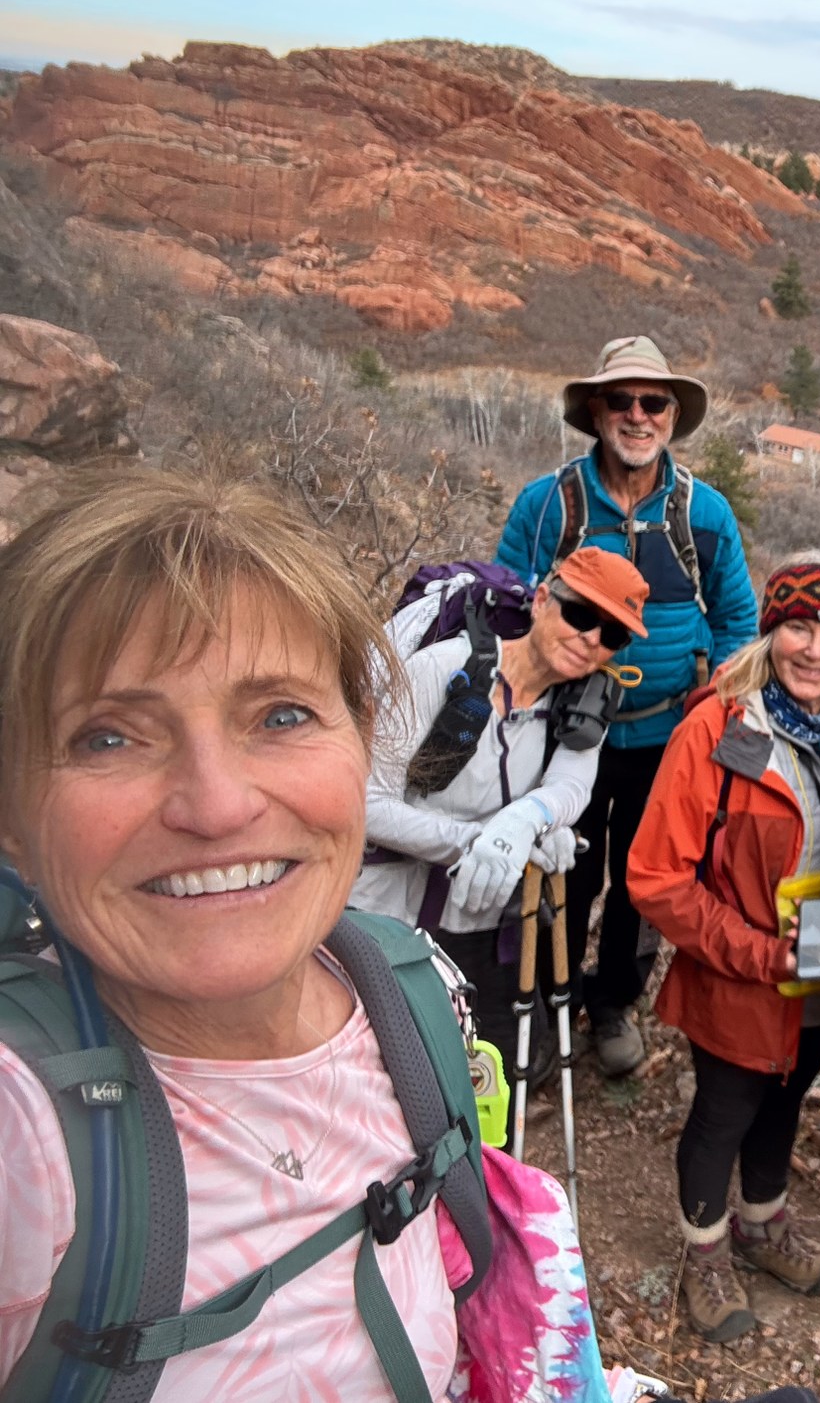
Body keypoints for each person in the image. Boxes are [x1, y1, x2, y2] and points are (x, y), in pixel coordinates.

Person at [0, 467, 481, 1398]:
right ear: (11, 815)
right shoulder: (22, 1130)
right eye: (108, 737)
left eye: (282, 716)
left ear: (361, 739)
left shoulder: (406, 995)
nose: (218, 806)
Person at [626, 554, 820, 1343]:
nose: (816, 650)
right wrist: (758, 954)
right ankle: (704, 1249)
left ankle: (762, 1220)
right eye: (798, 627)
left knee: (788, 1095)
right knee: (726, 1109)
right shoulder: (717, 728)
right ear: (770, 630)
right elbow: (655, 877)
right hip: (735, 966)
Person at [497, 336, 758, 1077]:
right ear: (596, 411)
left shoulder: (704, 513)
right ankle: (546, 1004)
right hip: (562, 731)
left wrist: (717, 711)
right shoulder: (547, 505)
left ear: (672, 416)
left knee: (649, 880)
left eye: (654, 403)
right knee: (562, 872)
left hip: (668, 734)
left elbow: (738, 622)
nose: (638, 416)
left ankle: (613, 1001)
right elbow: (508, 604)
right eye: (622, 400)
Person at [352, 546, 650, 1098]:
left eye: (612, 634)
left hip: (489, 926)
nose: (591, 639)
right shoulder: (443, 670)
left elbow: (570, 786)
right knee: (392, 1079)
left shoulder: (584, 704)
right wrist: (474, 841)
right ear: (542, 600)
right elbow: (363, 803)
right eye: (580, 615)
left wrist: (529, 823)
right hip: (390, 917)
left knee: (496, 1076)